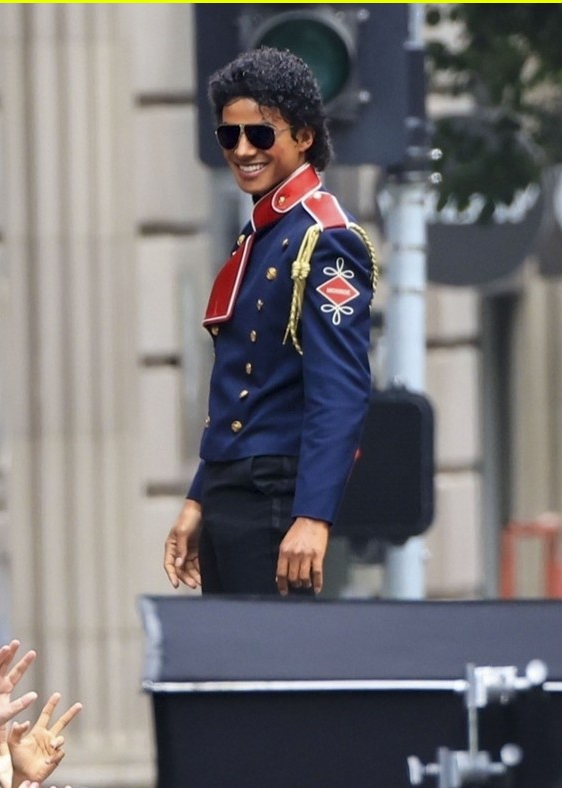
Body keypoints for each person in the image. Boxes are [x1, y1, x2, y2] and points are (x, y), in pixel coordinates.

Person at [163, 47, 379, 597]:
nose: (242, 150)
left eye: (260, 135)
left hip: (277, 505)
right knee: (223, 679)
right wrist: (200, 496)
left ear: (303, 136)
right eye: (228, 136)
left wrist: (313, 517)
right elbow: (243, 395)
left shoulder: (324, 238)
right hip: (232, 498)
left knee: (269, 680)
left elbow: (342, 391)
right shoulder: (263, 233)